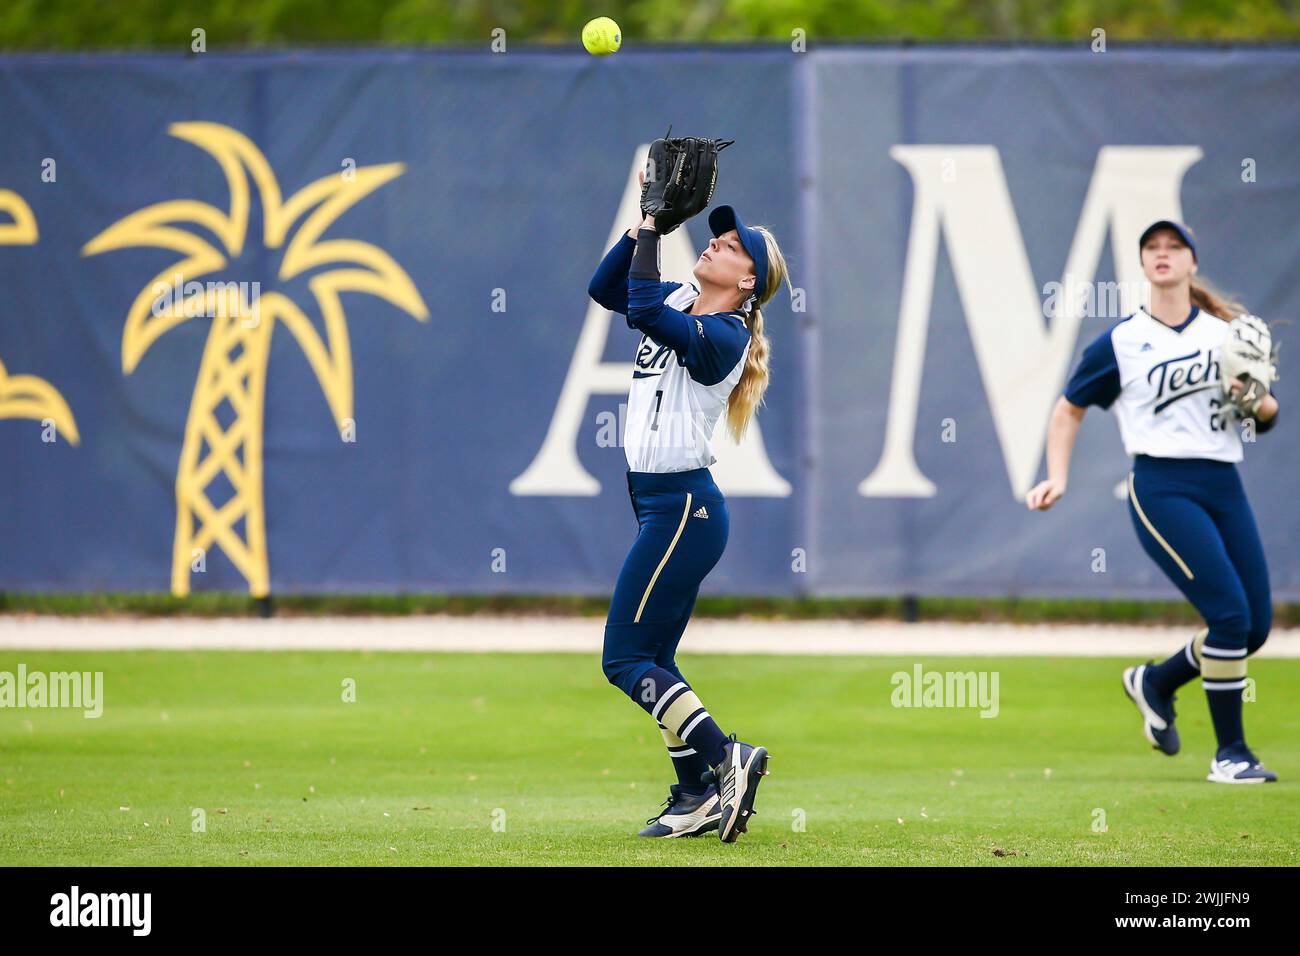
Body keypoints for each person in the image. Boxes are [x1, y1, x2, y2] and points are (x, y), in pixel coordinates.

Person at [1027, 220, 1280, 783]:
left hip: (1224, 484)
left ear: (1192, 263)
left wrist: (1254, 397)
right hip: (1162, 488)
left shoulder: (1225, 334)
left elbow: (1267, 417)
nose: (1163, 255)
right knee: (1230, 617)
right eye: (1152, 248)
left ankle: (1157, 683)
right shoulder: (1122, 341)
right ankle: (1231, 753)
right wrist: (1058, 476)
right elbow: (1069, 407)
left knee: (1254, 627)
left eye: (1174, 247)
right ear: (1143, 265)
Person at [587, 193, 790, 838]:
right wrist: (643, 226)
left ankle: (723, 757)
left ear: (749, 280)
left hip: (684, 508)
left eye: (731, 247)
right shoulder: (678, 299)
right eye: (716, 238)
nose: (714, 244)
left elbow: (639, 304)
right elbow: (605, 289)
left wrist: (654, 228)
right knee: (655, 659)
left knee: (623, 659)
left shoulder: (725, 337)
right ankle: (694, 794)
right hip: (662, 505)